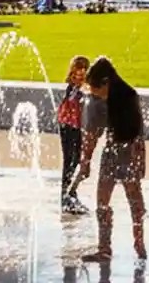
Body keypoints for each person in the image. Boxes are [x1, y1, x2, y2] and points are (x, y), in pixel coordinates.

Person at [79, 57, 147, 262]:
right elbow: (93, 133)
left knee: (133, 196)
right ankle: (105, 247)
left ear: (106, 82)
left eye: (95, 88)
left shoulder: (128, 97)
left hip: (130, 150)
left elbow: (137, 134)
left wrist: (139, 162)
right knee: (103, 199)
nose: (94, 93)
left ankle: (138, 241)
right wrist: (85, 160)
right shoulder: (105, 99)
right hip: (113, 149)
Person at [58, 55, 91, 215]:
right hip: (68, 125)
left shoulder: (84, 87)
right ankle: (66, 196)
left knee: (76, 159)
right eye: (79, 68)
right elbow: (73, 101)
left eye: (84, 68)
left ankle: (70, 193)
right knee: (69, 159)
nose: (81, 72)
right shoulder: (73, 87)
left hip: (77, 126)